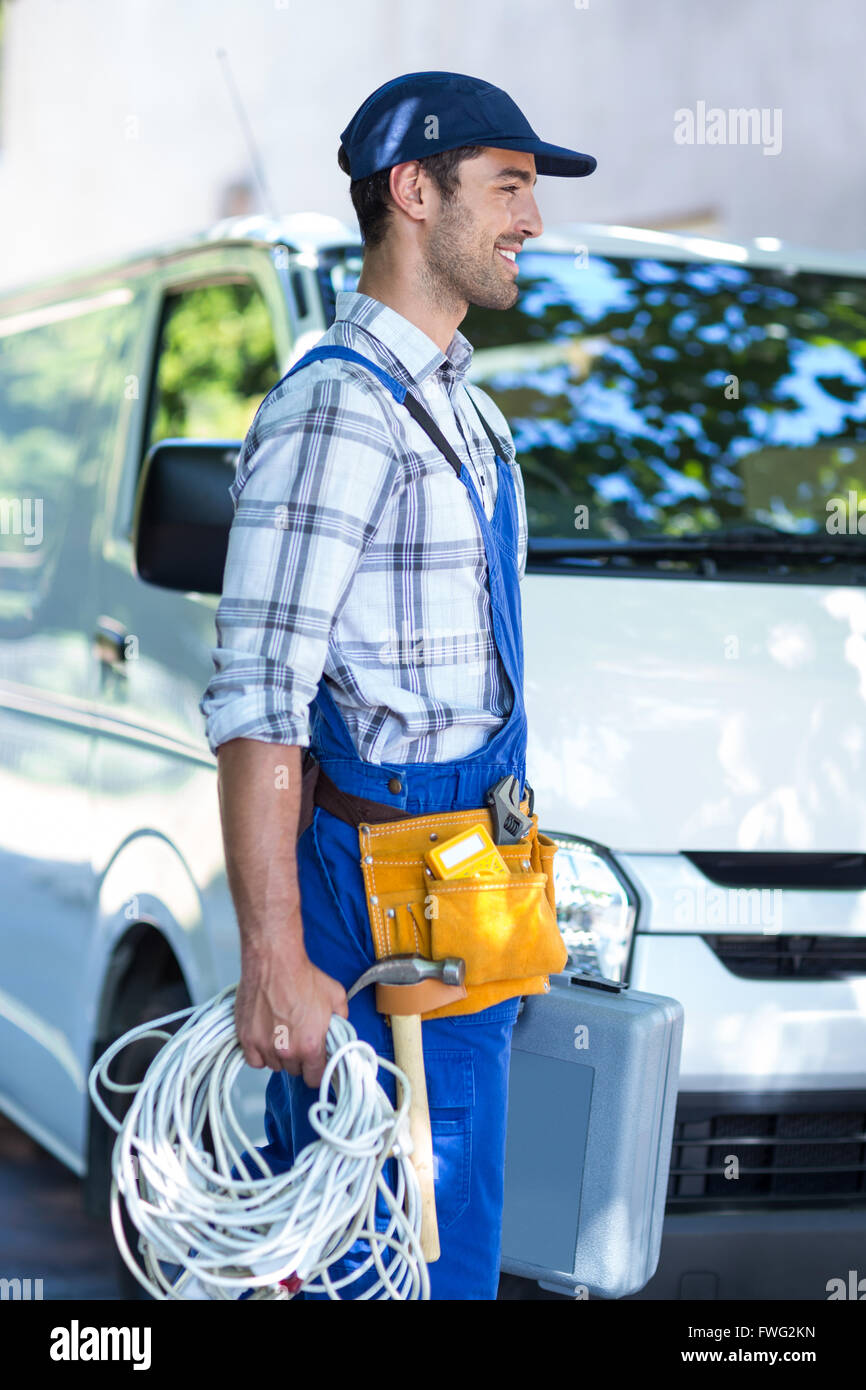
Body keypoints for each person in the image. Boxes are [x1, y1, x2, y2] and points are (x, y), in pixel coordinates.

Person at [199, 69, 596, 1300]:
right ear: (413, 192)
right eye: (510, 186)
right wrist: (273, 952)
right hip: (376, 903)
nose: (533, 219)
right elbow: (261, 695)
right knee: (375, 1245)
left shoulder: (460, 407)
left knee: (447, 1240)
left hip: (464, 889)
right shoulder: (337, 411)